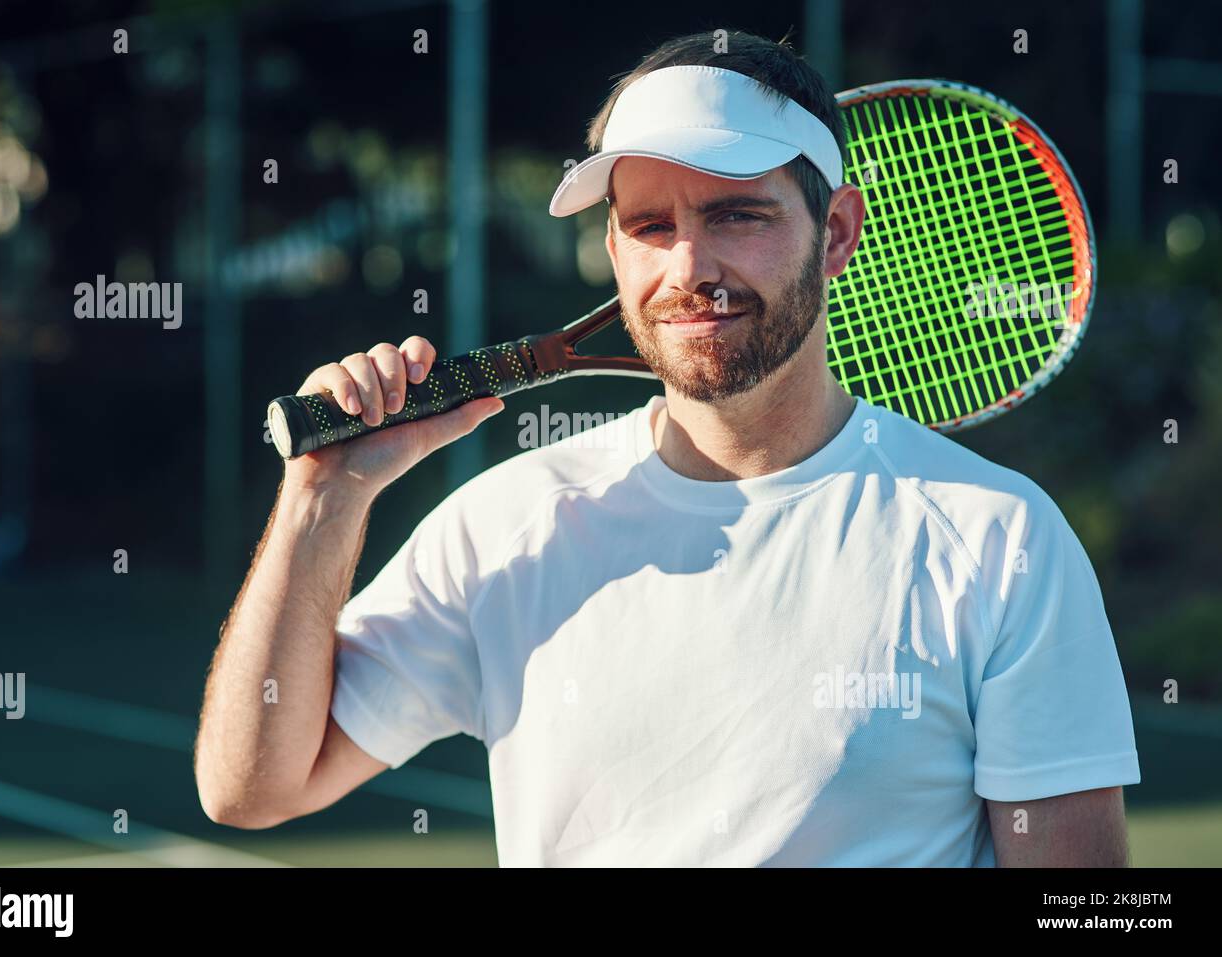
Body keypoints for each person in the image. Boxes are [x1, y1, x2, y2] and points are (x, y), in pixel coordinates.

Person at [194, 30, 1140, 866]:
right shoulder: (506, 526)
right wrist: (322, 497)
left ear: (838, 232)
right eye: (652, 225)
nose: (690, 268)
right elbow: (251, 787)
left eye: (738, 214)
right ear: (614, 250)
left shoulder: (999, 538)